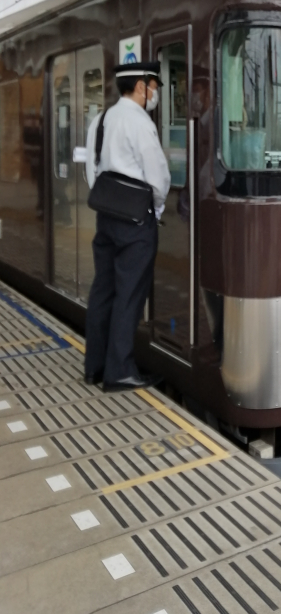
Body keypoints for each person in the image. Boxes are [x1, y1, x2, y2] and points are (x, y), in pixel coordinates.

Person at [84, 61, 171, 391]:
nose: (155, 93)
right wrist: (156, 207)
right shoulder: (140, 122)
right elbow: (158, 176)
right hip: (136, 222)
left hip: (105, 216)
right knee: (129, 294)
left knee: (103, 290)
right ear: (140, 86)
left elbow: (91, 169)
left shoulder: (101, 120)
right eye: (154, 86)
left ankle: (94, 367)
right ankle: (119, 371)